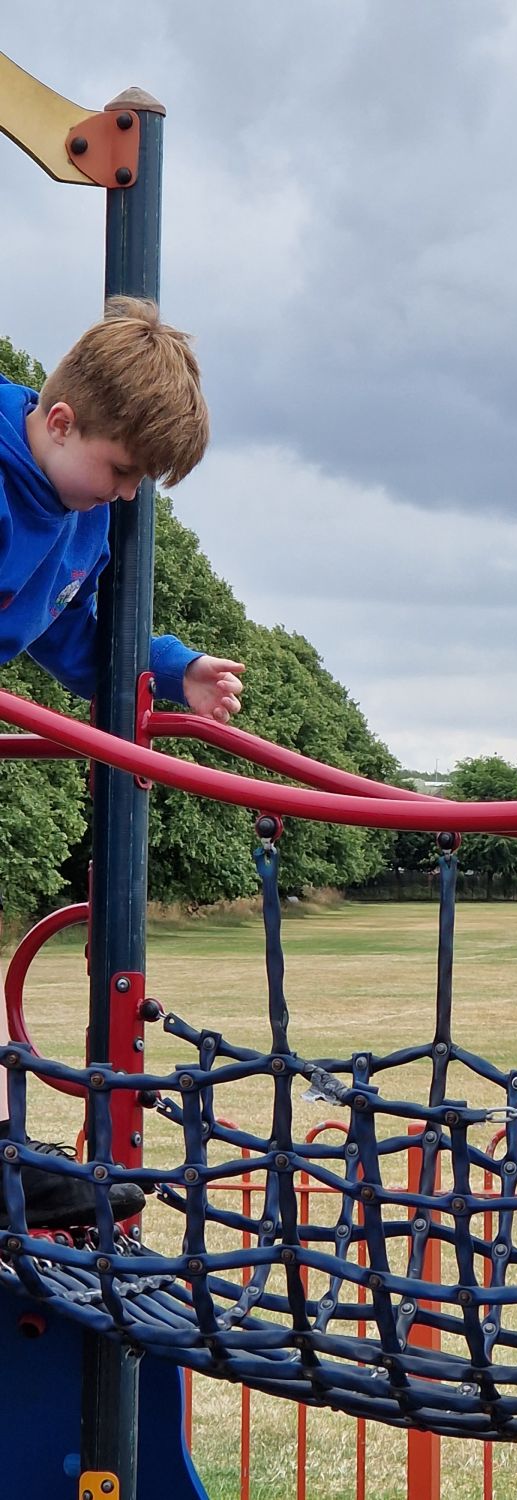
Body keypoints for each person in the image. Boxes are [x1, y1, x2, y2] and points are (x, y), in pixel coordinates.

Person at [0, 298, 245, 1229]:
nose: (128, 493)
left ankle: (5, 1158)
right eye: (122, 470)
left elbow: (73, 631)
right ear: (59, 422)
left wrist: (171, 667)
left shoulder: (77, 513)